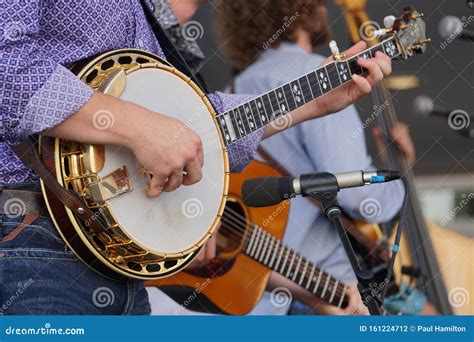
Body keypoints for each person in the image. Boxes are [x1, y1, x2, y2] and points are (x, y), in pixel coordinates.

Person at [0, 0, 391, 315]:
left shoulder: (145, 13)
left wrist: (311, 102)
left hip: (117, 264)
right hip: (35, 236)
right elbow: (6, 69)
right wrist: (139, 127)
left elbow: (195, 129)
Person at [214, 0, 423, 315]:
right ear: (304, 9)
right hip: (330, 292)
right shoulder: (314, 73)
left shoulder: (232, 90)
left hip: (257, 292)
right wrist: (398, 181)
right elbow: (360, 195)